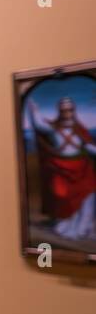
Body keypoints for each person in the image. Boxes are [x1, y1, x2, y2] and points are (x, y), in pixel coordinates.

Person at [28, 95, 96, 240]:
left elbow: (88, 146)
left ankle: (82, 228)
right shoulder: (53, 128)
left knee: (87, 197)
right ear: (60, 111)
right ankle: (67, 226)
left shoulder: (80, 129)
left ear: (73, 111)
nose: (67, 113)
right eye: (64, 110)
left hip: (82, 169)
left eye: (70, 110)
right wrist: (33, 108)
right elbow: (39, 124)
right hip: (61, 168)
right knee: (64, 196)